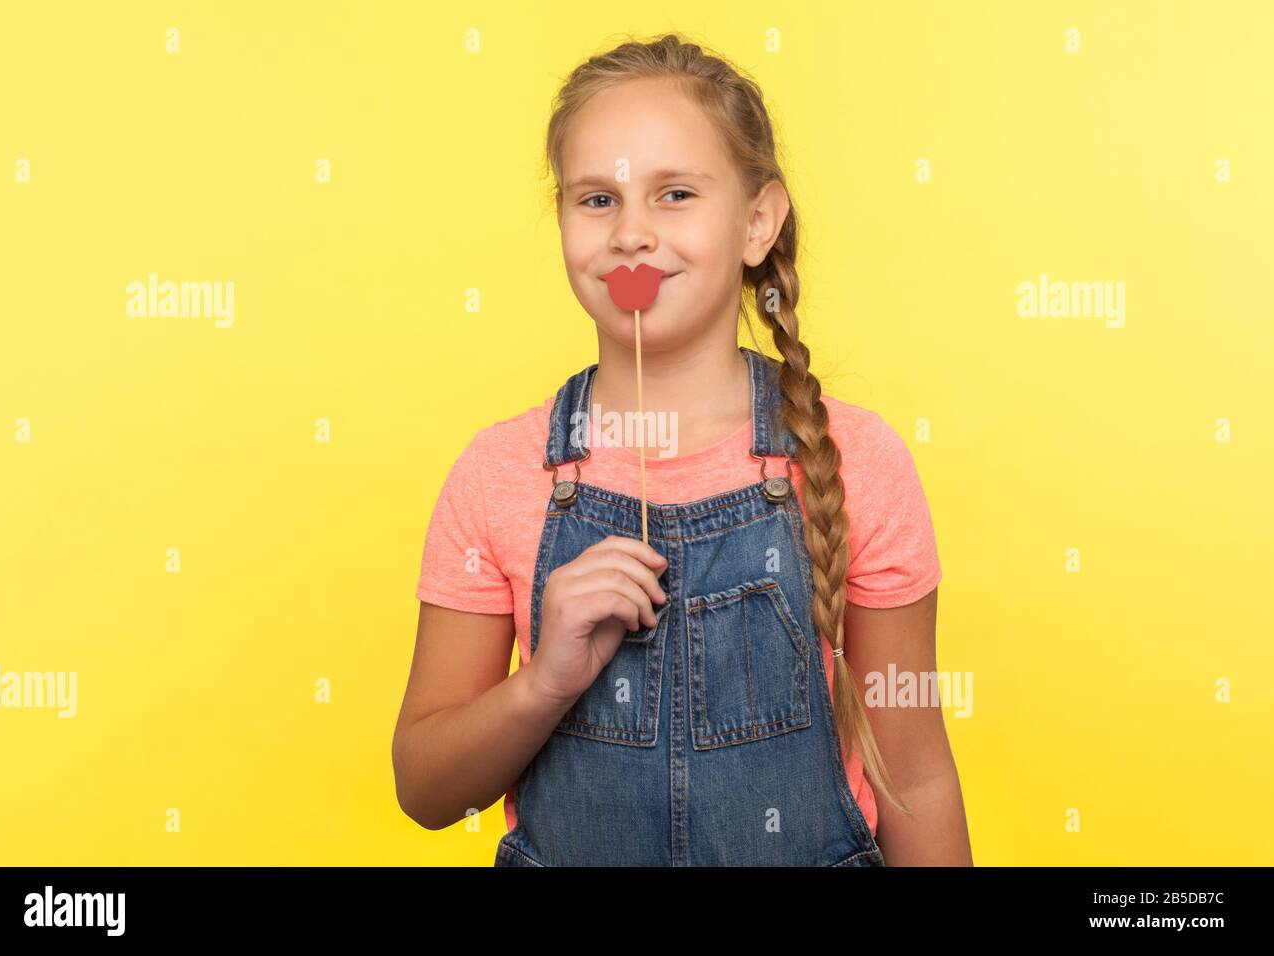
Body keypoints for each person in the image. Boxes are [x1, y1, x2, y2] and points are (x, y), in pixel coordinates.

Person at [392, 32, 970, 866]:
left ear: (757, 222)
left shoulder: (857, 462)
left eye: (674, 195)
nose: (631, 234)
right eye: (597, 200)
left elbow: (916, 775)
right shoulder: (497, 477)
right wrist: (546, 679)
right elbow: (425, 789)